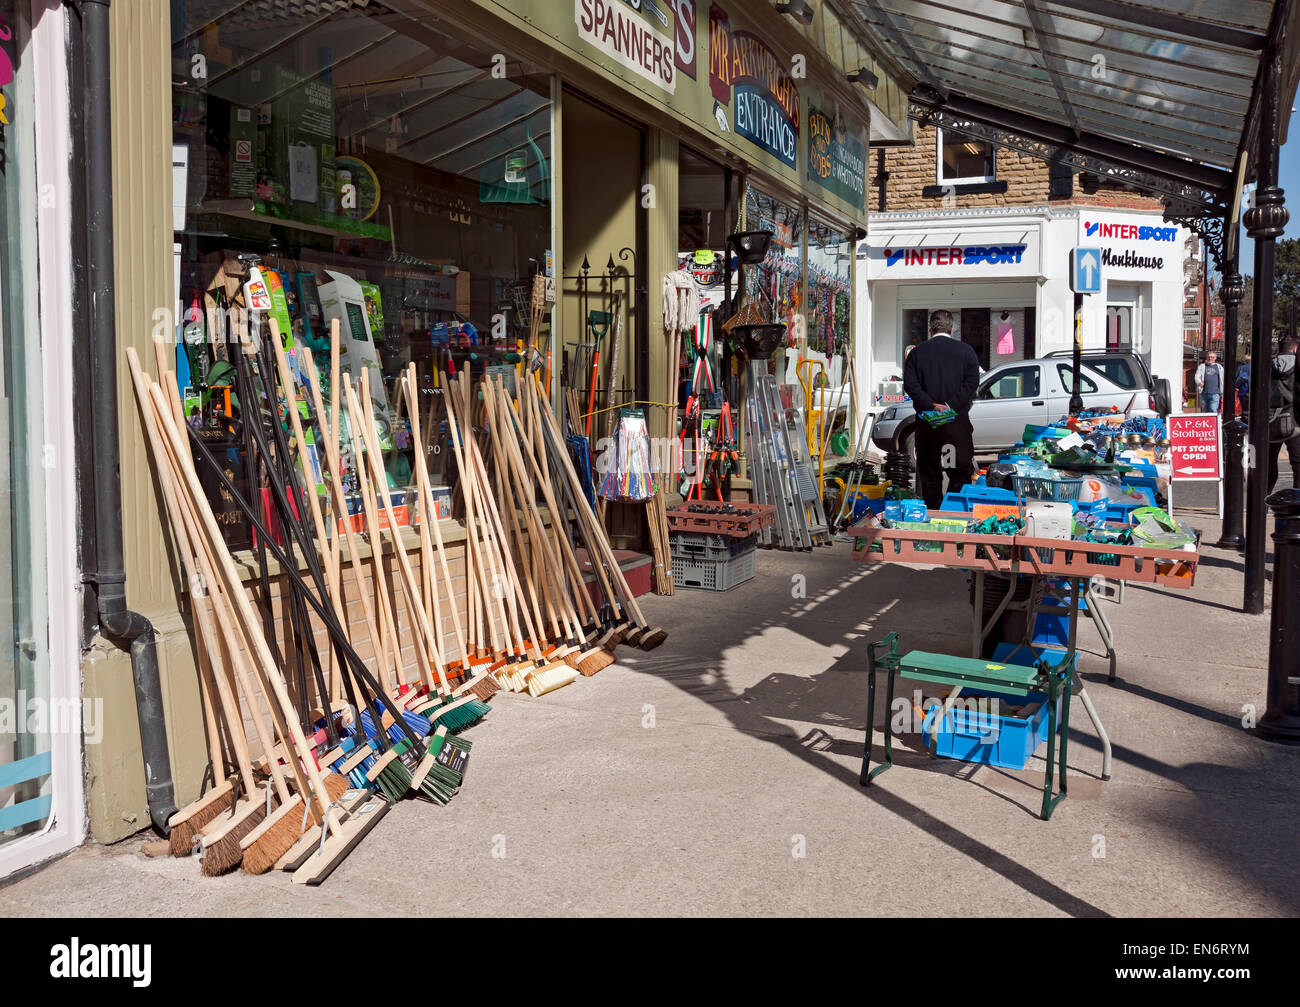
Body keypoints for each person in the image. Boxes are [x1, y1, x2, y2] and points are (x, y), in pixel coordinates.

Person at [903, 309, 981, 509]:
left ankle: (933, 512)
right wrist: (950, 405)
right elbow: (971, 383)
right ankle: (953, 512)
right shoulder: (966, 352)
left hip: (928, 426)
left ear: (930, 329)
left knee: (929, 471)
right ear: (952, 329)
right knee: (957, 471)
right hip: (954, 426)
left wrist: (930, 405)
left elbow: (911, 386)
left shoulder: (916, 354)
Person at [1267, 338, 1300, 493]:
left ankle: (1261, 504)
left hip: (1270, 420)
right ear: (1295, 349)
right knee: (1298, 463)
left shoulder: (1266, 365)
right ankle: (1297, 506)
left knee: (1267, 464)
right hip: (1295, 420)